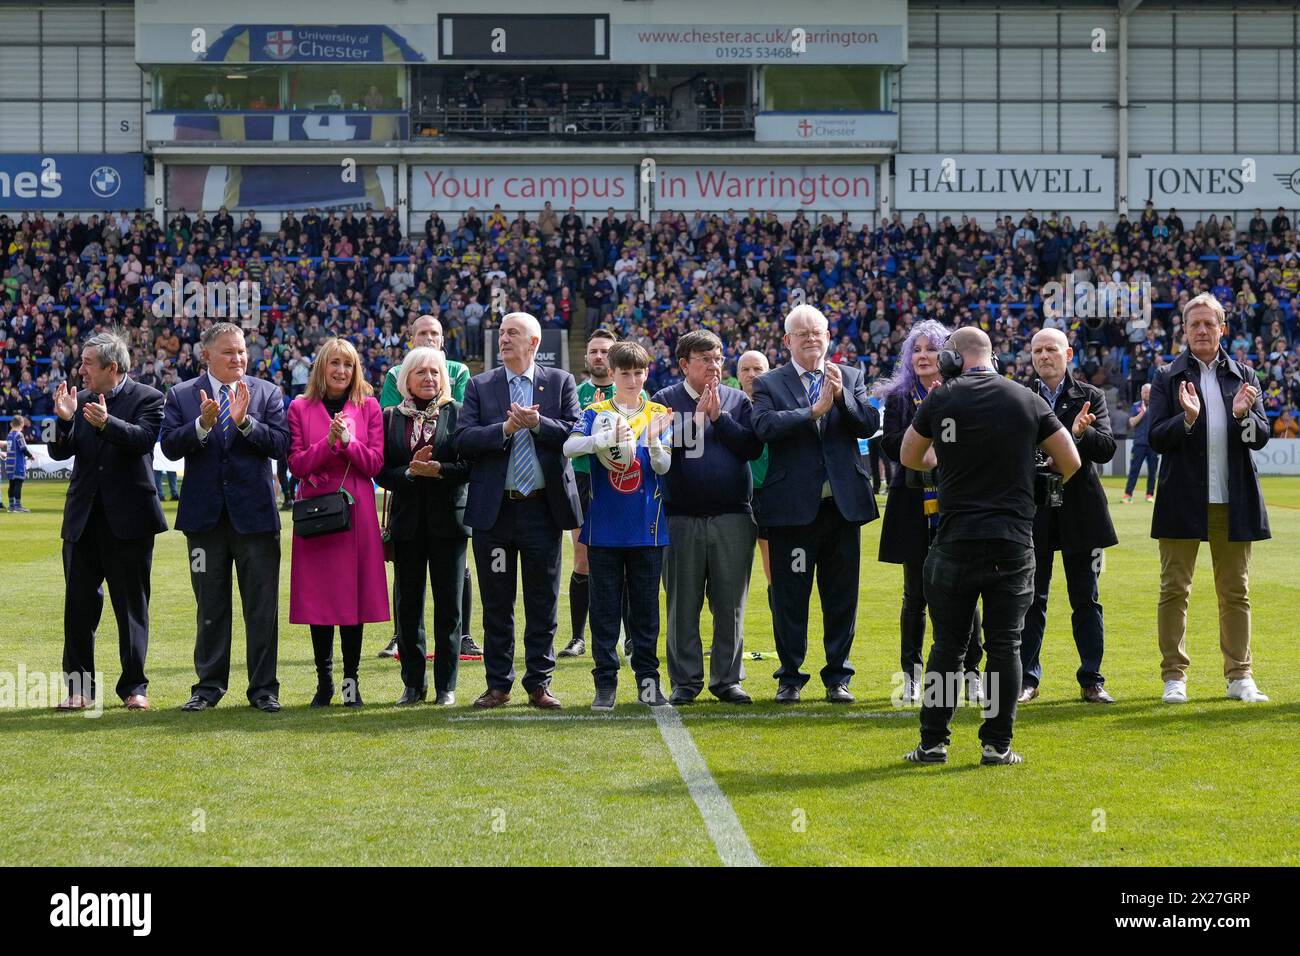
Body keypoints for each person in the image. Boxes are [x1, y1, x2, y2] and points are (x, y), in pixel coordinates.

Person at [899, 326, 1081, 766]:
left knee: (947, 646)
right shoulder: (1026, 399)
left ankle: (934, 743)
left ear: (952, 359)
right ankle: (997, 745)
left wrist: (945, 462)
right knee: (1006, 644)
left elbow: (909, 456)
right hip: (1013, 541)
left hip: (956, 538)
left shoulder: (941, 399)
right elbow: (1070, 461)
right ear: (990, 357)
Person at [751, 303, 880, 704]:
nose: (811, 338)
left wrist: (841, 399)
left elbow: (869, 424)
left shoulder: (851, 376)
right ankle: (790, 676)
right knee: (791, 595)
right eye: (802, 333)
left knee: (842, 595)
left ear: (828, 337)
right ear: (787, 340)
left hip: (841, 509)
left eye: (817, 332)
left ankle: (838, 676)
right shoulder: (769, 383)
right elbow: (763, 427)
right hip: (793, 512)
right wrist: (811, 412)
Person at [454, 312, 582, 710]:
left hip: (543, 511)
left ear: (534, 342)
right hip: (497, 513)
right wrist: (505, 431)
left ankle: (539, 683)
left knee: (542, 600)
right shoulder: (481, 385)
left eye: (514, 333)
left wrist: (539, 424)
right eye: (502, 333)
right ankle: (498, 684)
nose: (504, 338)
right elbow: (463, 439)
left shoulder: (560, 382)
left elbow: (577, 432)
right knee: (497, 602)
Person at [160, 323, 290, 713]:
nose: (238, 358)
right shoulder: (182, 395)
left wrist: (246, 422)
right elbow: (167, 447)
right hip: (205, 522)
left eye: (241, 352)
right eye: (229, 352)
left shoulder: (267, 392)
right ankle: (208, 687)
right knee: (210, 607)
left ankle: (264, 688)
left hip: (255, 520)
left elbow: (282, 445)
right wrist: (202, 424)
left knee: (262, 608)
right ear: (207, 357)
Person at [1149, 293, 1271, 704]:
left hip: (1232, 502)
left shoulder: (1244, 375)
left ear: (1223, 329)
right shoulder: (1167, 376)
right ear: (1183, 330)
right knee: (1174, 589)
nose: (1201, 330)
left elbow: (1259, 439)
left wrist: (1241, 417)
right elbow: (1156, 439)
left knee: (1236, 591)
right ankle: (1174, 677)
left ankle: (1240, 676)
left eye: (1209, 324)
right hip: (1182, 498)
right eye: (1194, 324)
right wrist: (1185, 419)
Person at [48, 331, 168, 711]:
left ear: (111, 368)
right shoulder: (77, 400)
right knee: (78, 608)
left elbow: (143, 440)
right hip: (83, 521)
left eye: (87, 363)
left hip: (130, 521)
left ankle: (134, 688)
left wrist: (106, 423)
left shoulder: (149, 398)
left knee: (131, 608)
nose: (81, 370)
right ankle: (79, 689)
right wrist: (63, 419)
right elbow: (55, 451)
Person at [875, 320, 984, 705]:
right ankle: (912, 676)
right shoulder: (900, 399)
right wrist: (924, 449)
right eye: (916, 349)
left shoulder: (962, 392)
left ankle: (972, 673)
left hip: (957, 506)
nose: (923, 355)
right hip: (911, 507)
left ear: (948, 355)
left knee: (965, 593)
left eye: (931, 349)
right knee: (914, 597)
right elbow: (889, 444)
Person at [652, 330, 763, 705]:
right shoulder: (664, 401)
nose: (714, 366)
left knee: (730, 602)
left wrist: (720, 418)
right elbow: (657, 448)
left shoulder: (737, 399)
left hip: (732, 514)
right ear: (684, 364)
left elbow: (751, 446)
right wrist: (696, 422)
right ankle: (686, 680)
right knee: (683, 602)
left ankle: (727, 679)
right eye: (705, 360)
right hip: (680, 516)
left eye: (718, 358)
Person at [565, 341, 674, 709]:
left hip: (648, 529)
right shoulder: (596, 411)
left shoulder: (659, 412)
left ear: (647, 373)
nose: (631, 379)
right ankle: (605, 684)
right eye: (624, 372)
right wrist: (603, 440)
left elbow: (663, 468)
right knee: (605, 611)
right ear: (611, 374)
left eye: (638, 372)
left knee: (646, 612)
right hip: (604, 528)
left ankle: (648, 683)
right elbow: (569, 447)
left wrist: (656, 441)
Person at [1018, 328, 1119, 705]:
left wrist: (1081, 434)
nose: (1044, 356)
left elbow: (1107, 448)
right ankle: (1028, 680)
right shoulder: (1021, 396)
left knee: (1086, 598)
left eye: (1051, 349)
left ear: (1069, 353)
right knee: (1030, 599)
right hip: (1035, 510)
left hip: (1082, 511)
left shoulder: (1091, 396)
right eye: (1038, 350)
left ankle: (1091, 679)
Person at [287, 337, 389, 707]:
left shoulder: (370, 407)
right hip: (317, 513)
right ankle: (323, 683)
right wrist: (327, 444)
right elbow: (296, 464)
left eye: (347, 364)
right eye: (334, 364)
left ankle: (351, 684)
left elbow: (375, 464)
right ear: (321, 368)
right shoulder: (299, 407)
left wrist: (345, 442)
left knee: (352, 600)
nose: (341, 371)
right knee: (319, 600)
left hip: (356, 512)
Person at [377, 313, 478, 659]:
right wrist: (408, 472)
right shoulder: (391, 417)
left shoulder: (459, 411)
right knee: (409, 607)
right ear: (406, 378)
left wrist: (440, 470)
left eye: (435, 372)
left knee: (449, 609)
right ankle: (412, 682)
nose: (429, 377)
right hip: (407, 521)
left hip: (449, 519)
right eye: (420, 372)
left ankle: (447, 685)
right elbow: (382, 468)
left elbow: (469, 465)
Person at [559, 327, 642, 658]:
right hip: (583, 479)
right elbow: (569, 438)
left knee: (625, 558)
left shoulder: (636, 394)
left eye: (605, 351)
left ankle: (632, 636)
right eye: (593, 351)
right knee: (583, 558)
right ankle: (578, 637)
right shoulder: (574, 393)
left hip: (624, 480)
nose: (598, 356)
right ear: (586, 356)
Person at [736, 351, 772, 603]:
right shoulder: (728, 407)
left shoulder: (780, 405)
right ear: (737, 376)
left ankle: (784, 640)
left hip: (772, 496)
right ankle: (729, 641)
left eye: (757, 369)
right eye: (746, 369)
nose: (751, 374)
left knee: (776, 574)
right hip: (736, 498)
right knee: (732, 574)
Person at [1123, 383, 1158, 502]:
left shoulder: (1157, 405)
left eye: (1148, 391)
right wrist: (1142, 412)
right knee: (1134, 470)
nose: (1146, 394)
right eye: (1145, 391)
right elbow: (1132, 423)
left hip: (1153, 444)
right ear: (1141, 393)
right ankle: (1128, 495)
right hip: (1139, 444)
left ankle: (1149, 495)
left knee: (1153, 471)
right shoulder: (1135, 406)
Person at [5, 415, 36, 512]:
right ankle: (17, 506)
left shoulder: (9, 435)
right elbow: (23, 448)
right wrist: (31, 456)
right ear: (22, 424)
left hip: (9, 463)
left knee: (12, 485)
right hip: (17, 464)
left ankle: (11, 506)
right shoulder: (19, 435)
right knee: (18, 485)